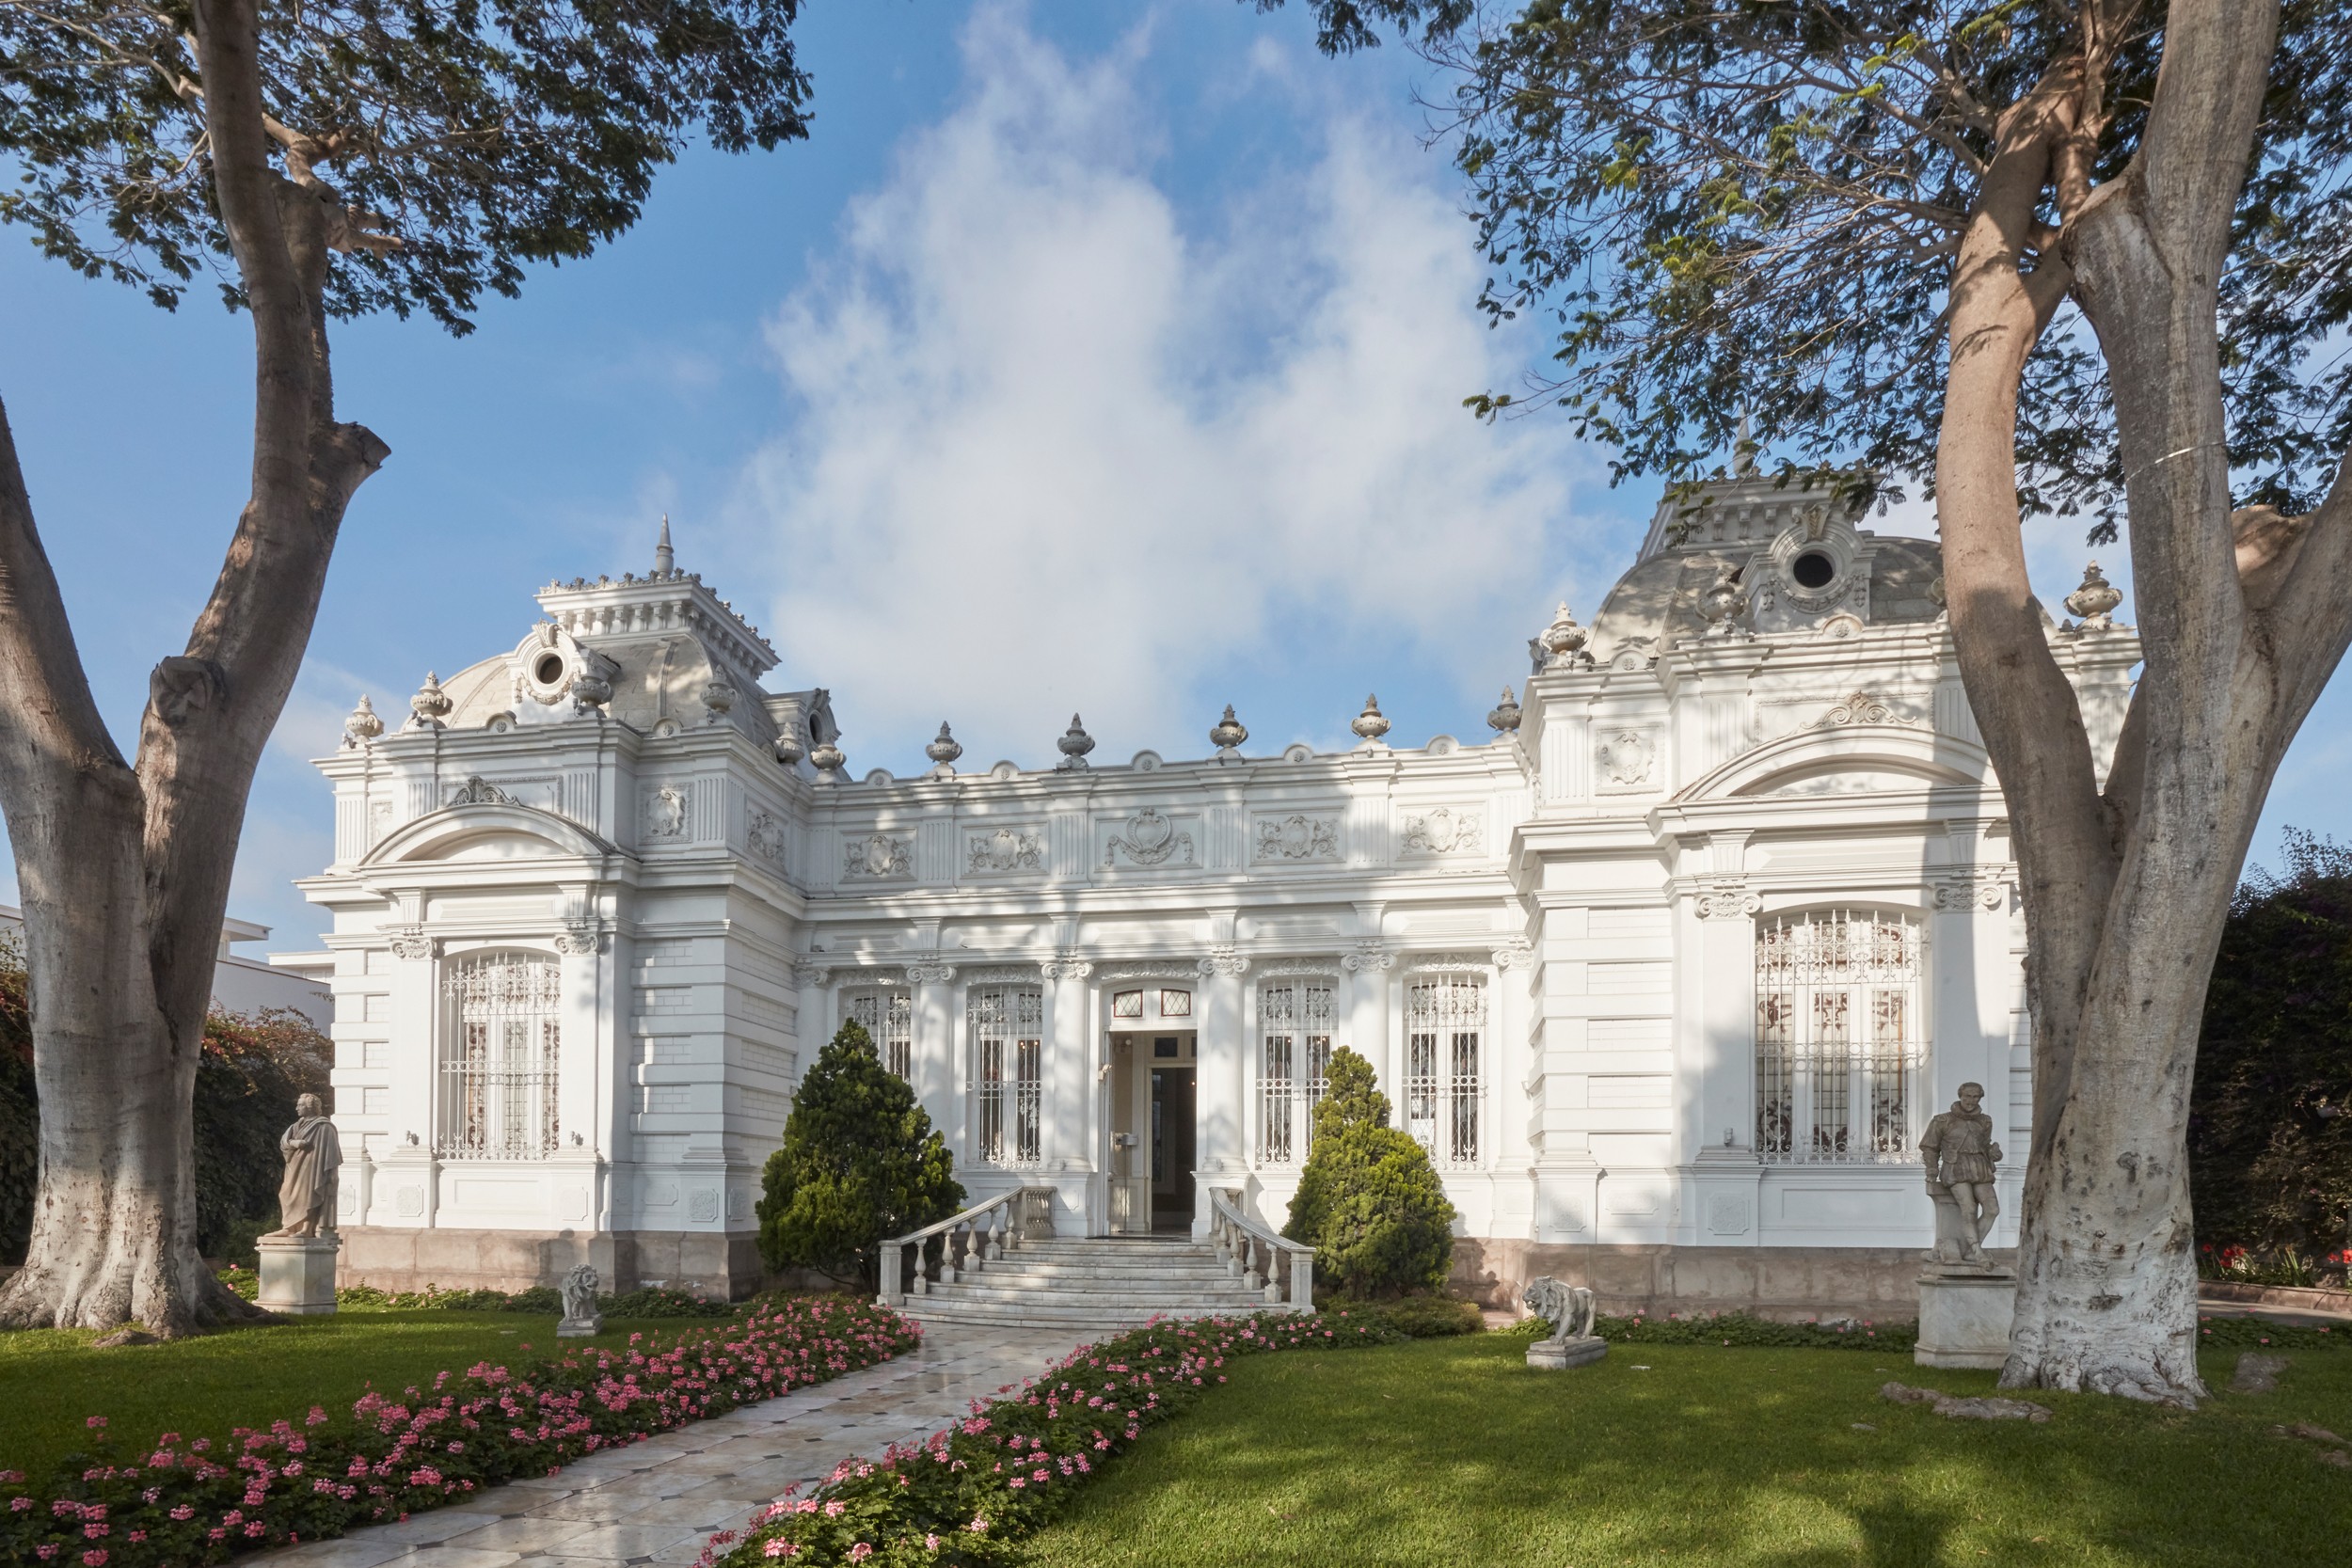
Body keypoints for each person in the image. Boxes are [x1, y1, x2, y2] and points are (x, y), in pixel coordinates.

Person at [1919, 1082, 2002, 1264]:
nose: (1971, 1101)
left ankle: (1969, 1248)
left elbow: (1985, 1145)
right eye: (1967, 1096)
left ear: (1980, 1098)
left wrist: (1994, 1153)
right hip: (1956, 1167)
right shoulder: (1943, 1120)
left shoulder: (1985, 1121)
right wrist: (1931, 1170)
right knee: (1969, 1208)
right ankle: (1976, 1251)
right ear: (1960, 1096)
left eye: (1975, 1097)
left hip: (1980, 1168)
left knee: (1993, 1210)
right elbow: (1929, 1147)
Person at [270, 1092, 342, 1239]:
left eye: (300, 1105)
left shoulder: (324, 1127)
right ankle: (289, 1227)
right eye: (297, 1105)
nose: (297, 1108)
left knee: (308, 1196)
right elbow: (284, 1143)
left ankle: (306, 1229)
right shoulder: (295, 1126)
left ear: (310, 1107)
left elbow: (332, 1152)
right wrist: (294, 1143)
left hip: (313, 1168)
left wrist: (331, 1174)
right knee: (285, 1193)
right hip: (293, 1167)